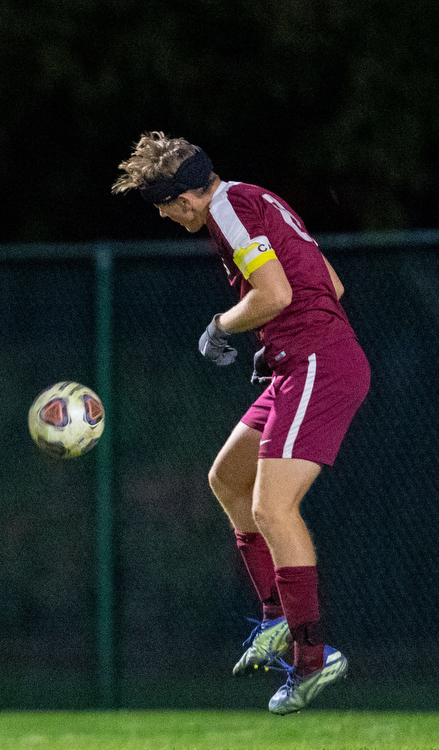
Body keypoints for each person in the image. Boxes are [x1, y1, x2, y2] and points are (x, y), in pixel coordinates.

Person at [113, 132, 370, 715]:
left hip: (317, 365)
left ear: (182, 200)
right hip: (295, 366)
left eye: (161, 206)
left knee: (272, 508)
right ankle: (276, 619)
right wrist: (277, 339)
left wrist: (220, 326)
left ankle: (312, 657)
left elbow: (274, 293)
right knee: (228, 479)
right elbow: (330, 282)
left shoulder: (227, 212)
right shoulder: (256, 198)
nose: (162, 215)